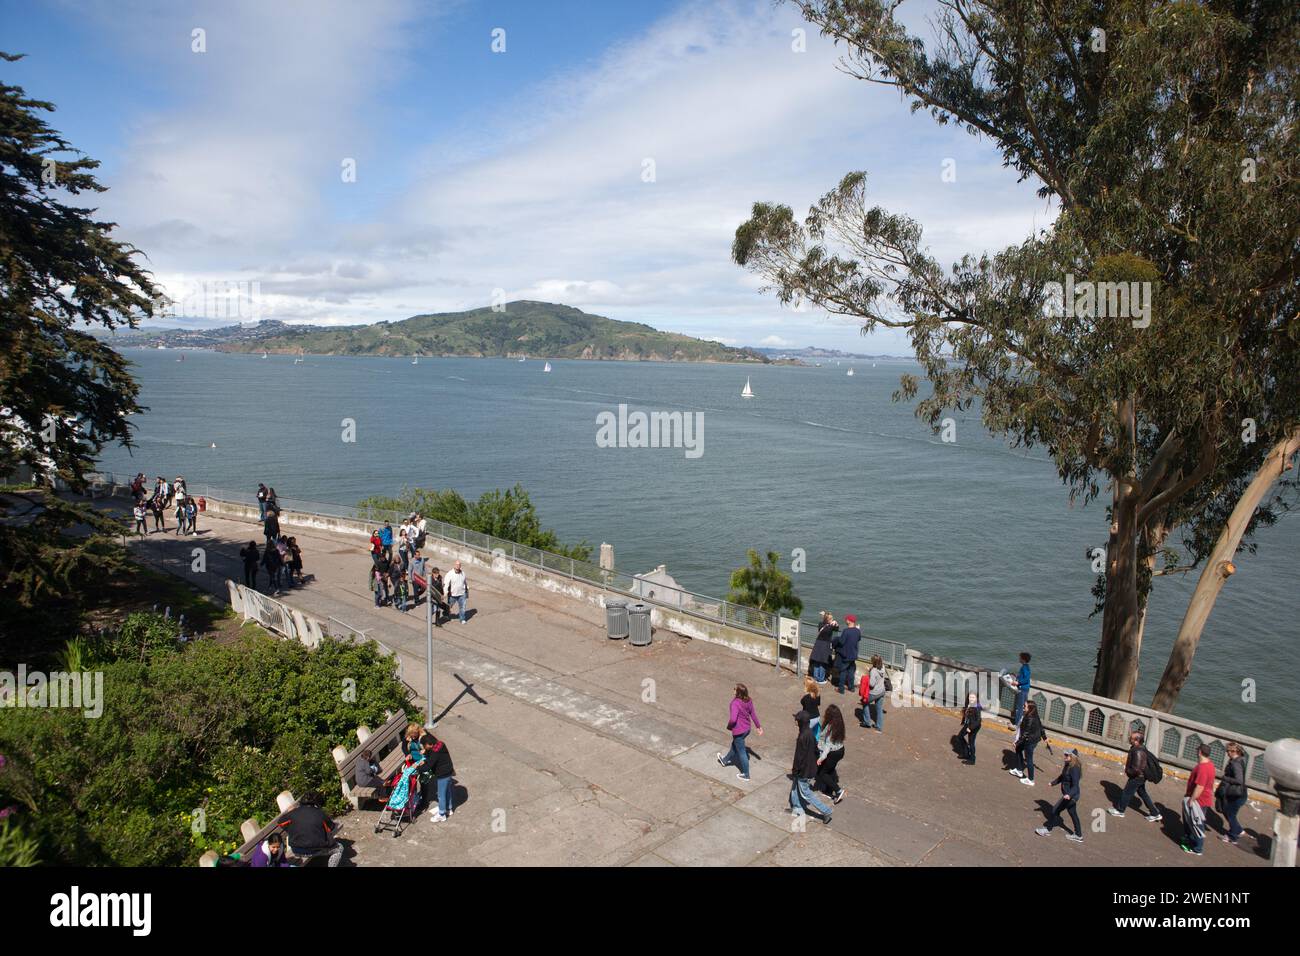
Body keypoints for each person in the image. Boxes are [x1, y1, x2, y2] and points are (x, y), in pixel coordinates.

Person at [276, 791, 343, 867]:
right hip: (316, 850)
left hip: (296, 850)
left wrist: (293, 828)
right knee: (339, 848)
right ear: (316, 803)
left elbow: (280, 823)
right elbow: (331, 827)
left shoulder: (293, 813)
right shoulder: (320, 813)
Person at [789, 711, 833, 825]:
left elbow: (798, 757)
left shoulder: (802, 737)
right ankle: (797, 808)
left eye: (797, 720)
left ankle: (826, 811)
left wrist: (795, 770)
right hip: (809, 767)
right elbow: (815, 749)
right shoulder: (809, 733)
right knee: (795, 787)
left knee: (806, 793)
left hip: (804, 770)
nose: (795, 721)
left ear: (801, 722)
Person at [1106, 730, 1161, 820]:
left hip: (1137, 777)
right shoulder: (1140, 748)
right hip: (1141, 777)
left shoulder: (1138, 751)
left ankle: (1120, 810)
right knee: (1143, 793)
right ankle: (1155, 813)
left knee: (1126, 792)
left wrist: (1128, 772)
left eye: (1131, 738)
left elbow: (1137, 769)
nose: (1129, 739)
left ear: (1136, 741)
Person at [1035, 748, 1084, 843]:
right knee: (1073, 813)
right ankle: (1078, 835)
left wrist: (1069, 795)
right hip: (1069, 795)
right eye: (1065, 754)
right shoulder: (1068, 765)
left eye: (1067, 755)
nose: (1064, 756)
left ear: (1072, 758)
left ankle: (1047, 829)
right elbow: (1062, 777)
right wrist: (1052, 783)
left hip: (1071, 796)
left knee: (1055, 810)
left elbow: (1075, 786)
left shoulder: (1074, 769)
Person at [716, 683, 762, 781]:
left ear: (738, 692)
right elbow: (753, 714)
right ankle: (724, 760)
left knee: (741, 752)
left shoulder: (735, 703)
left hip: (739, 730)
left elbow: (733, 719)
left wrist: (729, 727)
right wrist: (758, 726)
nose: (733, 690)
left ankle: (746, 774)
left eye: (734, 689)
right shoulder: (748, 700)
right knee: (735, 745)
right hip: (747, 729)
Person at [1181, 744, 1216, 856]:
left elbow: (1200, 786)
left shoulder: (1203, 768)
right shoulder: (1210, 765)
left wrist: (1191, 800)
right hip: (1204, 799)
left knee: (1196, 824)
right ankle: (1190, 839)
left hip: (1198, 801)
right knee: (1193, 822)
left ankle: (1197, 848)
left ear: (1200, 752)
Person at [814, 703, 847, 804]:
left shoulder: (831, 727)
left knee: (822, 773)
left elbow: (828, 745)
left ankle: (838, 791)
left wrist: (821, 758)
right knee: (830, 769)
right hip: (840, 750)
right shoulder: (839, 724)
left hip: (832, 753)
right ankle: (828, 790)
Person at [422, 729, 456, 823]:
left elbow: (428, 766)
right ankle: (448, 809)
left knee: (441, 795)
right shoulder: (440, 744)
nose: (424, 748)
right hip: (449, 771)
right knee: (447, 791)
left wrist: (417, 769)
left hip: (442, 775)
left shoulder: (434, 752)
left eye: (424, 745)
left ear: (429, 744)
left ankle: (441, 815)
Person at [1218, 742, 1249, 846]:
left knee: (1230, 814)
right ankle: (1239, 830)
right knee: (1229, 812)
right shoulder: (1240, 760)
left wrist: (1225, 778)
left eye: (1228, 751)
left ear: (1234, 751)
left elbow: (1239, 780)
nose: (1227, 753)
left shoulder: (1235, 763)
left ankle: (1232, 836)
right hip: (1241, 793)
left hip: (1236, 794)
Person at [1010, 701, 1047, 787]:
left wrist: (1017, 742)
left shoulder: (1030, 718)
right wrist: (1045, 738)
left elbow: (1026, 733)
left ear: (1030, 708)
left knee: (1029, 759)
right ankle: (1019, 770)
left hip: (1030, 741)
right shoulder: (1034, 715)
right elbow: (1041, 727)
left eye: (1025, 706)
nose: (1023, 707)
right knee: (1018, 749)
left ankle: (1031, 779)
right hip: (1031, 739)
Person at [833, 613, 861, 695]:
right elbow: (858, 638)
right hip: (853, 655)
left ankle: (841, 689)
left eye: (847, 619)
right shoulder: (857, 631)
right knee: (851, 672)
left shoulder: (846, 631)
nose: (846, 620)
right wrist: (858, 629)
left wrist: (837, 639)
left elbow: (841, 642)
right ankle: (851, 687)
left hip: (845, 655)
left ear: (849, 621)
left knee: (843, 671)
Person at [810, 612, 837, 684]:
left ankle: (816, 677)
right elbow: (836, 628)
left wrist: (825, 616)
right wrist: (835, 623)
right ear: (828, 620)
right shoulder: (830, 627)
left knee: (817, 661)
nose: (832, 619)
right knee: (823, 662)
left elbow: (825, 623)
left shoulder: (820, 624)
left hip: (818, 644)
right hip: (825, 645)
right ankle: (821, 679)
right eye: (831, 618)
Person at [860, 654, 886, 731]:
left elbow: (872, 684)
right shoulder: (883, 667)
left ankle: (867, 722)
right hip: (881, 691)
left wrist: (867, 678)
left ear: (873, 662)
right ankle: (879, 726)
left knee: (864, 703)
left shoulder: (874, 671)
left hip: (874, 693)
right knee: (879, 709)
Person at [956, 692, 981, 765]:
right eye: (970, 697)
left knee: (971, 742)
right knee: (960, 737)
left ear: (976, 698)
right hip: (968, 724)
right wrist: (963, 722)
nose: (971, 699)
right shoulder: (968, 704)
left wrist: (970, 728)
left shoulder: (977, 707)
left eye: (973, 697)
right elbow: (966, 714)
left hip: (974, 726)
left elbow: (978, 721)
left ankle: (972, 759)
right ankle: (966, 752)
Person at [1010, 652, 1032, 727]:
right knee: (1023, 707)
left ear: (1023, 659)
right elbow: (1025, 677)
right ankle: (1021, 722)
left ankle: (1016, 724)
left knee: (1019, 707)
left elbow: (1026, 679)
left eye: (1020, 657)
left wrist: (1018, 682)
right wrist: (1017, 676)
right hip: (1025, 689)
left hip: (1022, 689)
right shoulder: (1026, 667)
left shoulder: (1024, 668)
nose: (1019, 659)